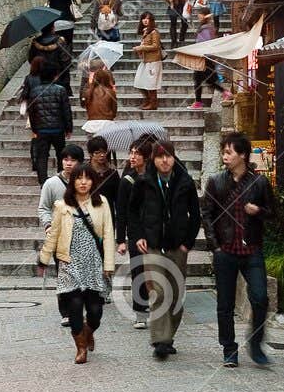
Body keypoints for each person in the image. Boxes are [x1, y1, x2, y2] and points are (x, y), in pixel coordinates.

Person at [203, 132, 273, 368]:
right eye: (223, 152)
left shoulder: (260, 182)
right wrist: (216, 247)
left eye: (229, 152)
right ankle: (229, 349)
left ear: (242, 155)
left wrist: (259, 211)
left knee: (261, 297)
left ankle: (256, 343)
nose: (225, 156)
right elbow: (207, 215)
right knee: (225, 303)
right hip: (226, 251)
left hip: (252, 249)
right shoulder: (216, 182)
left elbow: (274, 213)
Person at [128, 137, 201, 360]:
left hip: (176, 245)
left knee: (176, 294)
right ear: (153, 159)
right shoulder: (144, 181)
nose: (165, 161)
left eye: (168, 156)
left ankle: (168, 337)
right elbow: (132, 211)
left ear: (174, 157)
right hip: (152, 244)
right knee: (159, 291)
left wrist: (187, 243)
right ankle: (160, 340)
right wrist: (138, 235)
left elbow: (196, 216)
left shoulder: (185, 182)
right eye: (160, 156)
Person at [39, 163, 115, 365]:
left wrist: (109, 264)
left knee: (95, 311)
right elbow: (54, 234)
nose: (83, 182)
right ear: (72, 182)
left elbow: (108, 235)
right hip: (69, 263)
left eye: (87, 178)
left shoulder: (102, 203)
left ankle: (88, 332)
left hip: (93, 263)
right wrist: (44, 258)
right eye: (78, 178)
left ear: (93, 181)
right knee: (74, 306)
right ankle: (81, 347)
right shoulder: (61, 206)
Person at [116, 137, 155, 329]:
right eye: (131, 153)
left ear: (146, 157)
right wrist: (120, 239)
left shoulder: (156, 178)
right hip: (134, 231)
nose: (132, 157)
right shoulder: (127, 180)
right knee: (137, 270)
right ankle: (140, 312)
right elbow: (121, 211)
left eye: (137, 154)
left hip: (154, 231)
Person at [20, 59, 73, 186]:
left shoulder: (34, 92)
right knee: (61, 154)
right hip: (58, 128)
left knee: (42, 156)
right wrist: (68, 128)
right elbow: (66, 111)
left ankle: (43, 181)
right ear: (55, 75)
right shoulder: (60, 90)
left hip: (41, 129)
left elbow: (32, 112)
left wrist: (34, 129)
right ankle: (61, 178)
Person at [38, 143, 84, 228]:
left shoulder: (86, 182)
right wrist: (48, 225)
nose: (69, 163)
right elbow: (44, 208)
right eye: (66, 160)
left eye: (73, 160)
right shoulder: (51, 183)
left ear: (80, 162)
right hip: (60, 229)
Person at [132, 10, 163, 112]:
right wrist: (140, 50)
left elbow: (156, 46)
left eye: (148, 18)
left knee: (150, 83)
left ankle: (153, 103)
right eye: (143, 18)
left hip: (153, 61)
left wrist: (141, 48)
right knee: (139, 81)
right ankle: (147, 100)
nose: (145, 20)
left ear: (151, 20)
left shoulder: (154, 32)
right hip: (146, 60)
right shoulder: (145, 31)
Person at [191, 11, 221, 109]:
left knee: (203, 80)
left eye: (200, 15)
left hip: (204, 58)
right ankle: (198, 102)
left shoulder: (206, 29)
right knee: (203, 80)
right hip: (204, 57)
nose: (198, 16)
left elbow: (205, 44)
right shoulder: (207, 27)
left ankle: (198, 102)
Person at [87, 134, 123, 214]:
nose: (102, 155)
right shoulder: (85, 171)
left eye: (104, 152)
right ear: (90, 154)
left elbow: (118, 198)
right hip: (89, 212)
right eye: (97, 153)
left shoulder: (112, 172)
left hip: (108, 213)